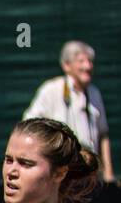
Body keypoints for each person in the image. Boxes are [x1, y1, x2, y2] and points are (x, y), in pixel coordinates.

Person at [23, 41, 115, 183]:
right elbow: (29, 127)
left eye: (90, 61)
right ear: (66, 65)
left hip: (89, 174)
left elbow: (103, 134)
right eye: (81, 61)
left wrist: (108, 174)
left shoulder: (94, 93)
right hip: (59, 174)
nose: (88, 66)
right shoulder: (51, 90)